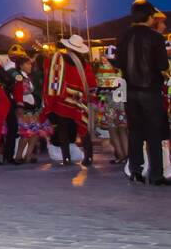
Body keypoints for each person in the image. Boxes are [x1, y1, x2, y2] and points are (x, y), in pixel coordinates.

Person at [115, 0, 170, 185]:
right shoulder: (155, 37)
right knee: (154, 133)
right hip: (150, 90)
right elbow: (163, 64)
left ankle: (135, 171)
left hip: (130, 90)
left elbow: (120, 63)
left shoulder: (122, 36)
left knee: (135, 132)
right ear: (149, 16)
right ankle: (156, 175)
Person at [42, 34, 95, 167]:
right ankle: (88, 156)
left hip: (63, 99)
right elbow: (91, 82)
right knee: (82, 126)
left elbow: (50, 71)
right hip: (79, 100)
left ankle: (66, 158)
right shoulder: (85, 63)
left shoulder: (60, 58)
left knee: (63, 128)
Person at [94, 47, 127, 166]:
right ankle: (127, 155)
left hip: (109, 104)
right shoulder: (123, 68)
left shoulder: (101, 70)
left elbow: (99, 91)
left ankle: (120, 155)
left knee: (113, 130)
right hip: (123, 103)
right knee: (123, 129)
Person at [11, 53, 45, 164]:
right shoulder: (19, 77)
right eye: (28, 64)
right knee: (26, 133)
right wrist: (19, 105)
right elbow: (17, 92)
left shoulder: (27, 77)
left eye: (31, 64)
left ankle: (28, 156)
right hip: (24, 108)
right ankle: (18, 157)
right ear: (21, 65)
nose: (31, 66)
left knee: (34, 133)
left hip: (32, 108)